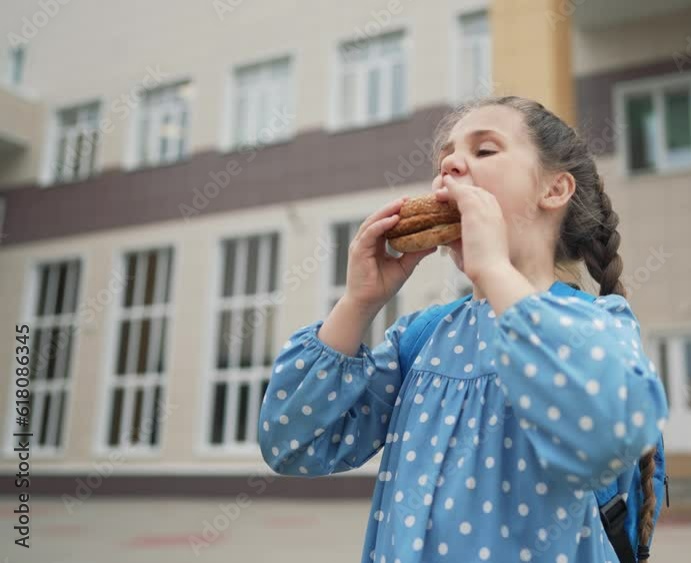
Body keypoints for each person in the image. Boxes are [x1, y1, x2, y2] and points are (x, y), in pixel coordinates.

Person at [258, 96, 669, 562]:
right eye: (445, 158)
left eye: (485, 151)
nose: (450, 164)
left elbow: (604, 433)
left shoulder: (596, 325)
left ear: (554, 190)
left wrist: (494, 268)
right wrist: (358, 302)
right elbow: (291, 444)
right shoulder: (423, 339)